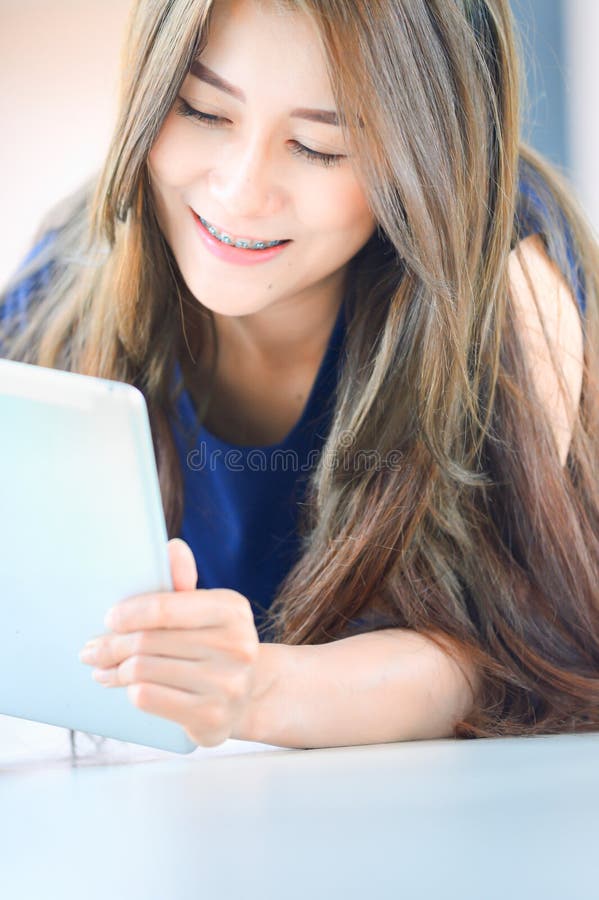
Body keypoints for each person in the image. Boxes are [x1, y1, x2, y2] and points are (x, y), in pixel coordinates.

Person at [1, 0, 597, 751]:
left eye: (318, 146)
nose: (240, 192)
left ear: (428, 162)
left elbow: (506, 653)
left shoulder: (503, 291)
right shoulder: (77, 262)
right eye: (201, 110)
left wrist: (257, 688)